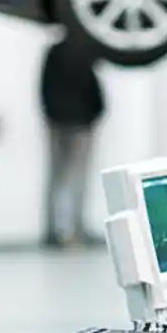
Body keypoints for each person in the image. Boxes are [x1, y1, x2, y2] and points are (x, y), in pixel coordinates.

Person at [39, 35, 105, 248]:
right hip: (78, 124)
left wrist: (52, 116)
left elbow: (45, 89)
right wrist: (95, 114)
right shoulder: (86, 51)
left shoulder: (55, 52)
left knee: (57, 177)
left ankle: (54, 231)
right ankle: (75, 229)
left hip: (62, 123)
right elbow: (93, 90)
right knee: (76, 178)